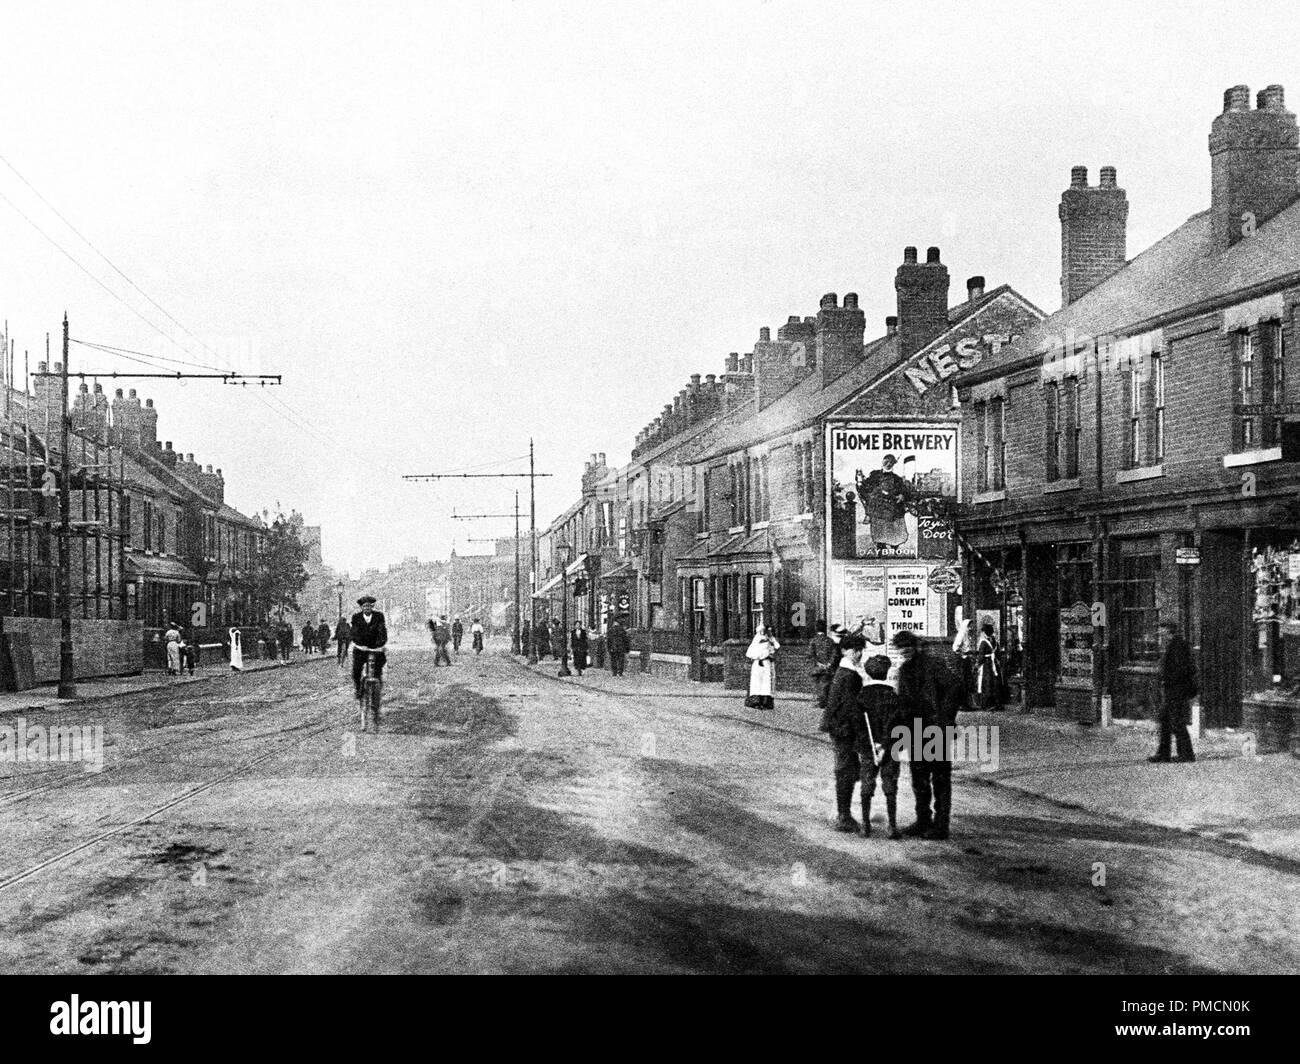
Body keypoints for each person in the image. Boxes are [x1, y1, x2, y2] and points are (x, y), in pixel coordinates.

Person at [892, 629, 963, 840]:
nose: (904, 652)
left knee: (940, 779)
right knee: (919, 778)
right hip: (915, 729)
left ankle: (941, 826)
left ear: (915, 646)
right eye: (901, 649)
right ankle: (923, 819)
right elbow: (903, 702)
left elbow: (955, 687)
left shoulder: (933, 665)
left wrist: (945, 717)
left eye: (907, 648)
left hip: (936, 729)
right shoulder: (904, 670)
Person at [858, 654, 907, 839]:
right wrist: (886, 745)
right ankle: (892, 826)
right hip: (891, 747)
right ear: (886, 673)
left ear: (868, 673)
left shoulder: (862, 697)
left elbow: (859, 724)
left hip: (868, 747)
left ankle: (865, 825)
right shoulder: (893, 696)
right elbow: (898, 724)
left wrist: (870, 745)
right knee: (890, 784)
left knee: (867, 783)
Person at [825, 632, 867, 832]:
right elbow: (852, 708)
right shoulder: (849, 675)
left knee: (847, 769)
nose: (858, 654)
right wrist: (861, 735)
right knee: (846, 771)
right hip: (844, 729)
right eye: (854, 650)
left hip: (839, 726)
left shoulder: (843, 671)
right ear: (844, 650)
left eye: (860, 650)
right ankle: (844, 816)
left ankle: (843, 812)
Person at [1150, 621, 1197, 763]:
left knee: (1176, 722)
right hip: (1172, 690)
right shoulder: (1173, 644)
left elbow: (1184, 669)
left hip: (1177, 690)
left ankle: (1187, 755)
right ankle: (1164, 754)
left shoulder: (1178, 645)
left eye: (1162, 631)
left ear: (1168, 631)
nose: (1161, 634)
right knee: (1166, 720)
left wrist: (1168, 680)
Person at [857, 454, 911, 554]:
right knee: (879, 530)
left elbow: (904, 492)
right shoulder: (874, 475)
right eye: (886, 461)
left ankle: (894, 549)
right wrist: (860, 480)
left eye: (891, 462)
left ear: (893, 464)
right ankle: (880, 549)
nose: (888, 464)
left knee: (895, 531)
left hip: (893, 509)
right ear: (882, 462)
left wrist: (902, 495)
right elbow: (864, 488)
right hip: (879, 508)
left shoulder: (897, 479)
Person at [350, 594, 387, 705]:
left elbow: (382, 632)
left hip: (375, 648)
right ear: (361, 608)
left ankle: (377, 686)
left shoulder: (379, 616)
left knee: (378, 667)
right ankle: (358, 688)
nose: (367, 608)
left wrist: (379, 644)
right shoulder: (356, 617)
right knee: (356, 670)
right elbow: (354, 633)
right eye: (365, 606)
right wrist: (360, 644)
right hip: (361, 649)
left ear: (372, 607)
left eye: (369, 606)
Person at [744, 623, 780, 711]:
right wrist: (759, 656)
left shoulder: (770, 640)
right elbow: (750, 653)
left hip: (767, 663)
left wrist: (772, 638)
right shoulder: (756, 640)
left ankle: (765, 702)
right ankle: (755, 702)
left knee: (766, 683)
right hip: (757, 663)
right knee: (756, 683)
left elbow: (777, 646)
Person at [809, 621, 839, 713]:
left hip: (817, 667)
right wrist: (829, 663)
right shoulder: (830, 640)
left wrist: (818, 663)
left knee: (816, 684)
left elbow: (811, 654)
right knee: (825, 684)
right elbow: (834, 654)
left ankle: (819, 701)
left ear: (816, 628)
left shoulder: (813, 640)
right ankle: (824, 701)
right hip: (827, 667)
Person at [975, 620, 1004, 710]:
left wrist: (977, 665)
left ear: (984, 632)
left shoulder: (983, 642)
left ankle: (987, 704)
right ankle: (997, 704)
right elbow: (998, 655)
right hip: (994, 664)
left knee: (987, 684)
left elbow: (980, 657)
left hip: (987, 665)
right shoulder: (995, 641)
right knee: (995, 684)